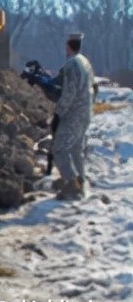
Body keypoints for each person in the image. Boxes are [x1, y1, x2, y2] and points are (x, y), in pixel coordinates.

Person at [51, 32, 96, 201]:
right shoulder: (85, 62)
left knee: (59, 149)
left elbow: (69, 92)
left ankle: (71, 185)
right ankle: (81, 181)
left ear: (68, 46)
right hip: (86, 112)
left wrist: (58, 113)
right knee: (76, 149)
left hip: (73, 114)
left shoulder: (71, 64)